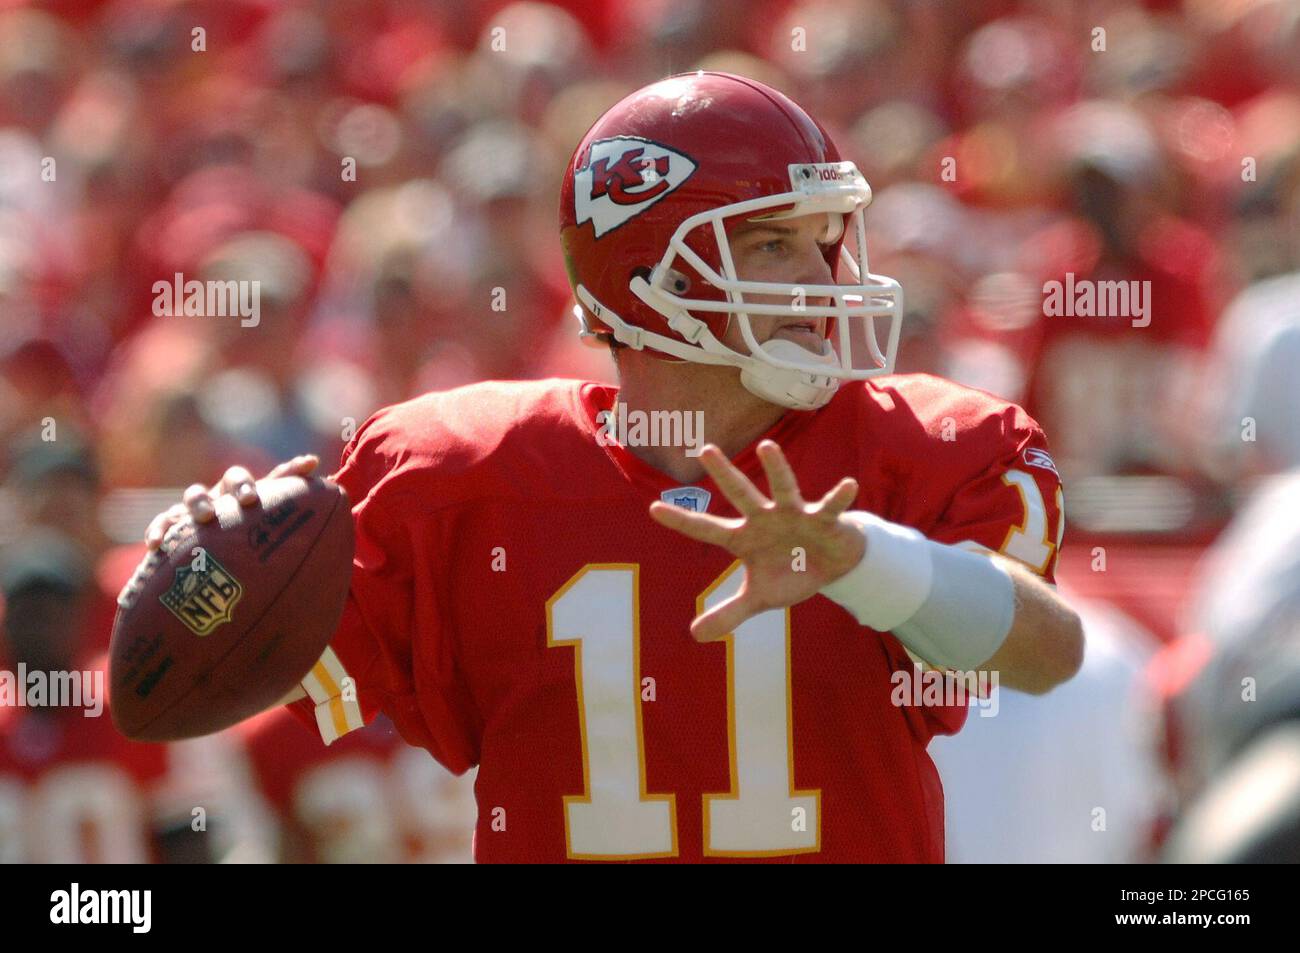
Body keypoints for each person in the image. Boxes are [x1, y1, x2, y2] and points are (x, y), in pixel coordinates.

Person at [143, 72, 1083, 862]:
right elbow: (217, 681)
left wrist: (864, 559)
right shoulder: (461, 475)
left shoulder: (910, 453)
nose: (824, 279)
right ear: (657, 283)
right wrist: (210, 579)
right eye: (773, 243)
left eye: (823, 239)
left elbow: (1046, 650)